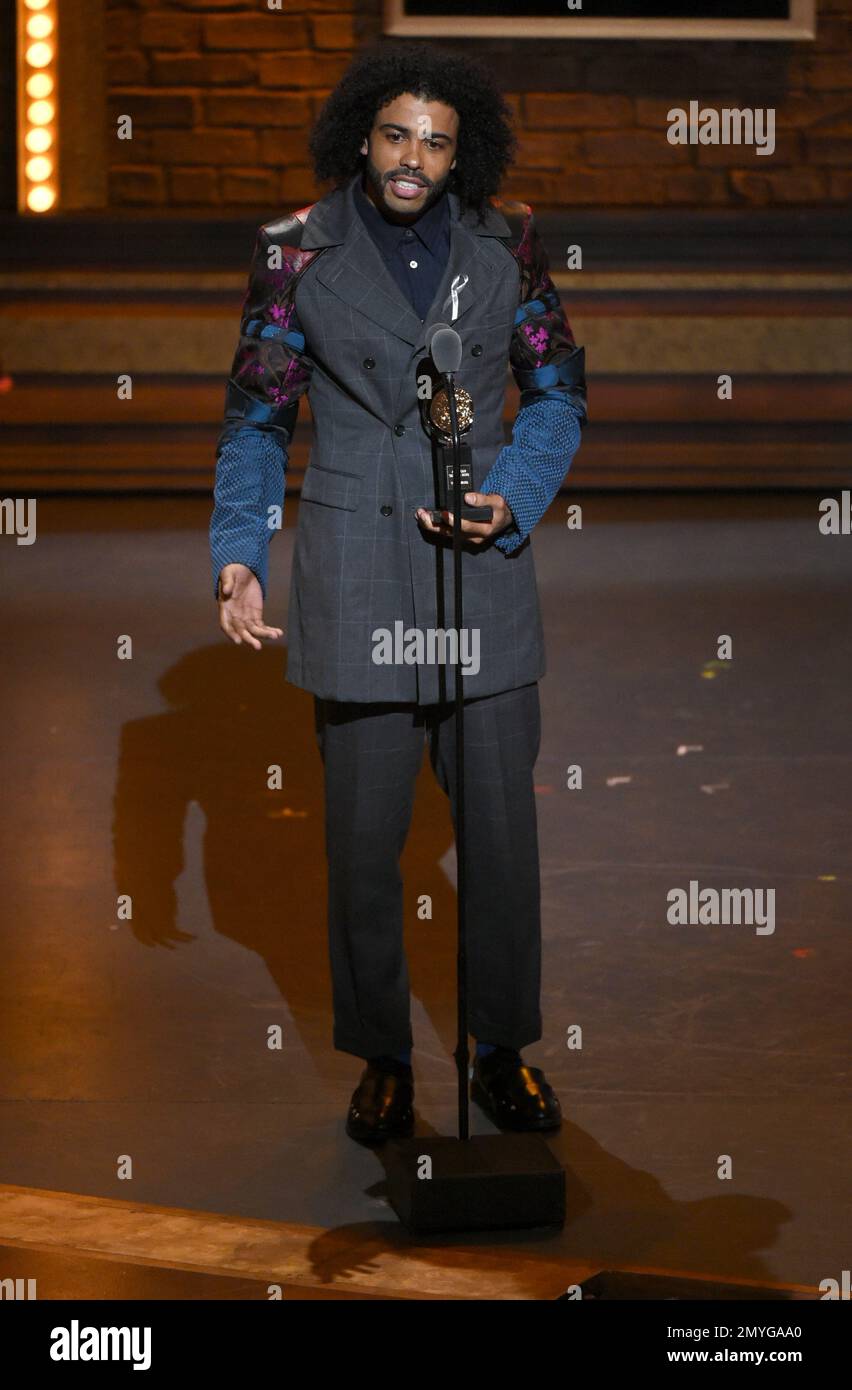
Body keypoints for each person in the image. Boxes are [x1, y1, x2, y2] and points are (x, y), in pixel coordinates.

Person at [210, 43, 587, 1144]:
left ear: (462, 154)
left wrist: (516, 496)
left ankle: (499, 1051)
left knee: (502, 841)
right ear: (360, 139)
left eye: (436, 141)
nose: (414, 157)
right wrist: (241, 550)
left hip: (481, 568)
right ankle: (382, 1057)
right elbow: (257, 419)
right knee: (364, 846)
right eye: (395, 134)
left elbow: (557, 392)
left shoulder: (506, 242)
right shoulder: (294, 253)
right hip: (358, 567)